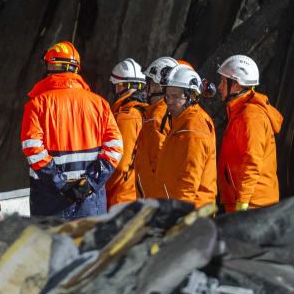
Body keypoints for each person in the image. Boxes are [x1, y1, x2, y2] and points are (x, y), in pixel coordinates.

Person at [20, 41, 122, 218]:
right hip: (90, 200)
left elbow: (33, 149)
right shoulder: (100, 104)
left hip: (49, 200)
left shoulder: (37, 104)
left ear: (51, 65)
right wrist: (90, 183)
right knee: (88, 246)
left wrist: (60, 184)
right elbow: (115, 147)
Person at [216, 55, 284, 211]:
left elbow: (252, 162)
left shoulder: (250, 117)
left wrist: (243, 203)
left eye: (223, 81)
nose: (219, 86)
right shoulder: (241, 112)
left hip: (252, 205)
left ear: (237, 85)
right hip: (246, 202)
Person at [156, 66, 217, 207]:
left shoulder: (193, 129)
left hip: (191, 214)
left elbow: (188, 181)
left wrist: (180, 216)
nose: (169, 101)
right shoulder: (181, 122)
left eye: (176, 96)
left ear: (193, 96)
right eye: (168, 96)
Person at [137, 57, 189, 198]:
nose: (146, 89)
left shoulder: (157, 117)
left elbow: (159, 164)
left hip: (155, 196)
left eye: (149, 83)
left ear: (155, 86)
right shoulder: (172, 112)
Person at [106, 58, 148, 206]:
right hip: (137, 192)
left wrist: (100, 186)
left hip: (122, 195)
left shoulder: (126, 116)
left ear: (119, 87)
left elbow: (120, 164)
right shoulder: (146, 112)